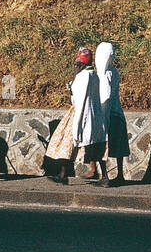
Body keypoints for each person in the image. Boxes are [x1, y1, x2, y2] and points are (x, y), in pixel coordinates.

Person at [43, 47, 106, 185]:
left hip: (80, 113)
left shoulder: (83, 76)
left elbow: (79, 99)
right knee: (95, 146)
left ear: (81, 63)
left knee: (66, 143)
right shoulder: (94, 75)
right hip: (94, 114)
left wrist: (77, 123)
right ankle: (66, 174)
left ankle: (63, 175)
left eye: (78, 63)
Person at [90, 41, 130, 186]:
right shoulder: (114, 71)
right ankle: (120, 174)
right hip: (117, 112)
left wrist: (102, 119)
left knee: (102, 145)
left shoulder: (103, 74)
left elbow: (105, 97)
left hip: (105, 113)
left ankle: (105, 177)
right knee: (118, 146)